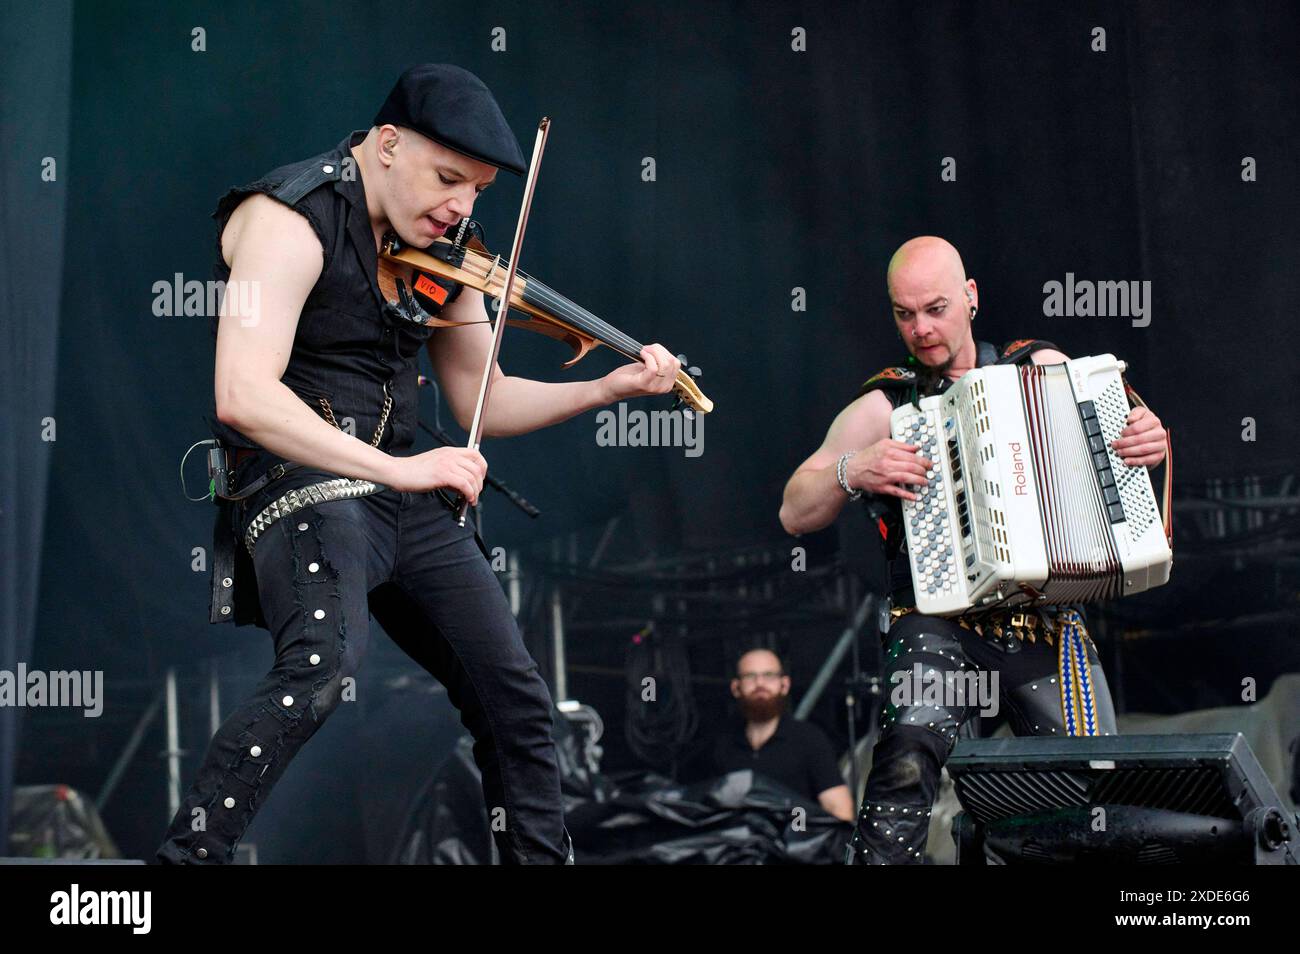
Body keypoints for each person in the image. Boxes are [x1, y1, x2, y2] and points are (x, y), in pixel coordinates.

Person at [156, 64, 682, 864]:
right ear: (389, 145)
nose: (460, 210)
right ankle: (184, 862)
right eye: (447, 181)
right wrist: (398, 470)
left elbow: (485, 402)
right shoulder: (286, 219)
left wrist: (608, 386)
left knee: (518, 701)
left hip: (405, 485)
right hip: (305, 483)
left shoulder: (449, 251)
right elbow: (241, 394)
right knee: (322, 668)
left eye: (476, 192)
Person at [778, 236, 1167, 863]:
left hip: (1042, 617)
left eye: (935, 309)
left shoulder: (1040, 366)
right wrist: (856, 467)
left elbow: (1123, 438)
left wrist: (1146, 437)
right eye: (905, 314)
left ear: (971, 297)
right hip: (935, 621)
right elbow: (794, 509)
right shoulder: (887, 403)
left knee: (1097, 785)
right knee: (905, 762)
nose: (922, 329)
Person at [708, 648, 854, 821]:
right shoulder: (722, 743)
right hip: (737, 843)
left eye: (769, 675)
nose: (759, 683)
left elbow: (839, 808)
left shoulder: (810, 739)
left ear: (784, 685)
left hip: (795, 842)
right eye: (750, 676)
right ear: (736, 688)